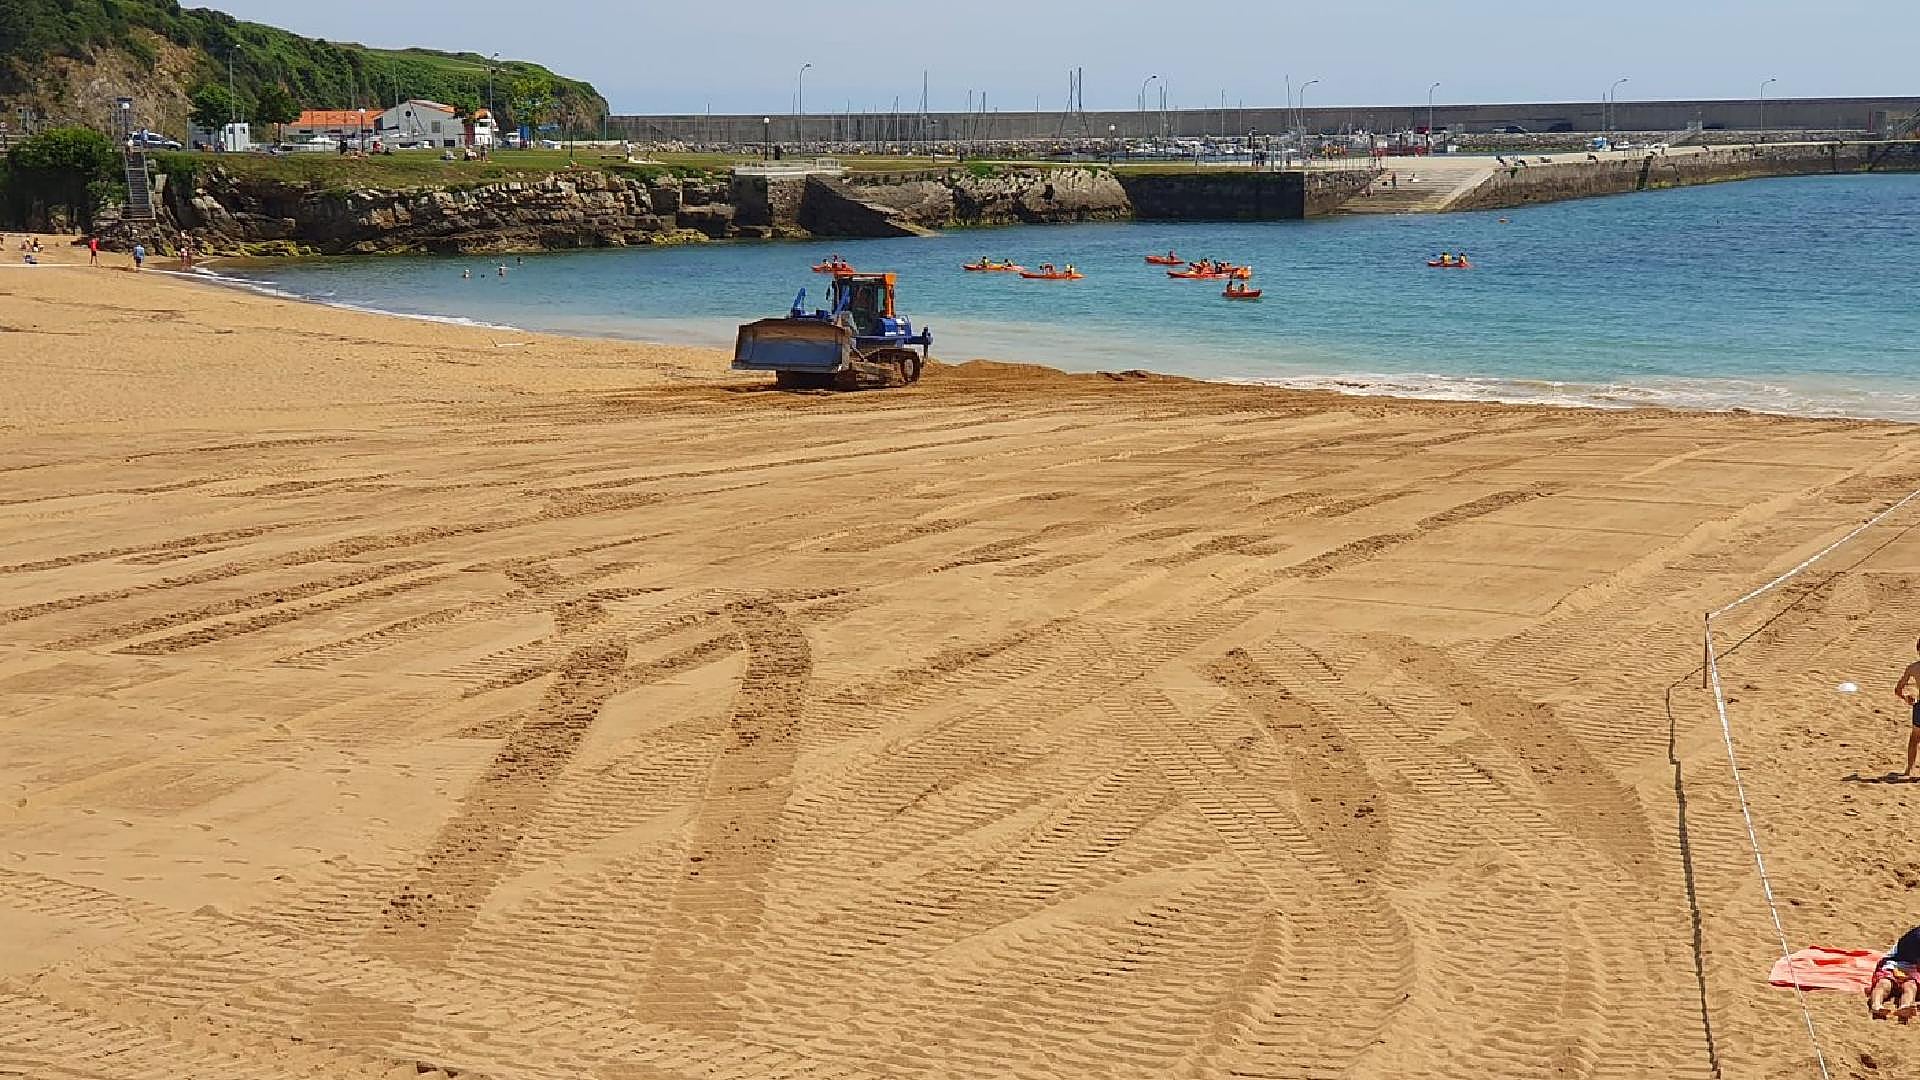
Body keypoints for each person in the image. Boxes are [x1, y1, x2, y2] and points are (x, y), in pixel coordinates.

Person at [1870, 927, 1920, 1020]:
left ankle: (1905, 1006)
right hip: (1894, 963)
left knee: (1910, 987)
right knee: (1884, 984)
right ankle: (1876, 1005)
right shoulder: (1915, 937)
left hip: (1912, 968)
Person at [1892, 639, 1920, 775]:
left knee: (1914, 738)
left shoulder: (1913, 668)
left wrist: (1906, 698)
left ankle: (1909, 769)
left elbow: (1898, 690)